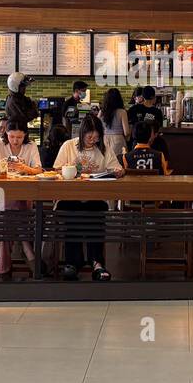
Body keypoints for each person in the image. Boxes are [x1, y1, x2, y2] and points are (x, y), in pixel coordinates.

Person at [53, 114, 123, 281]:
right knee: (72, 215)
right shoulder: (69, 146)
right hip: (69, 197)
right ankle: (72, 263)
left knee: (96, 215)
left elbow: (116, 168)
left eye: (97, 137)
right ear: (82, 133)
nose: (93, 140)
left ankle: (96, 263)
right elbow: (56, 170)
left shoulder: (104, 147)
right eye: (90, 136)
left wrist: (118, 171)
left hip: (96, 197)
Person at [0, 119, 44, 277]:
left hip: (23, 195)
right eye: (12, 136)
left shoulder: (31, 146)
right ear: (6, 134)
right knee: (9, 211)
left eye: (19, 137)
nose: (15, 141)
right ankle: (28, 250)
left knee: (8, 217)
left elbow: (39, 170)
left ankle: (4, 267)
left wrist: (25, 168)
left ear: (25, 135)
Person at [98, 87, 131, 165]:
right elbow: (126, 132)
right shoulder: (122, 112)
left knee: (105, 163)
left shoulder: (102, 112)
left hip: (104, 139)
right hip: (118, 140)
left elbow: (96, 126)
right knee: (119, 164)